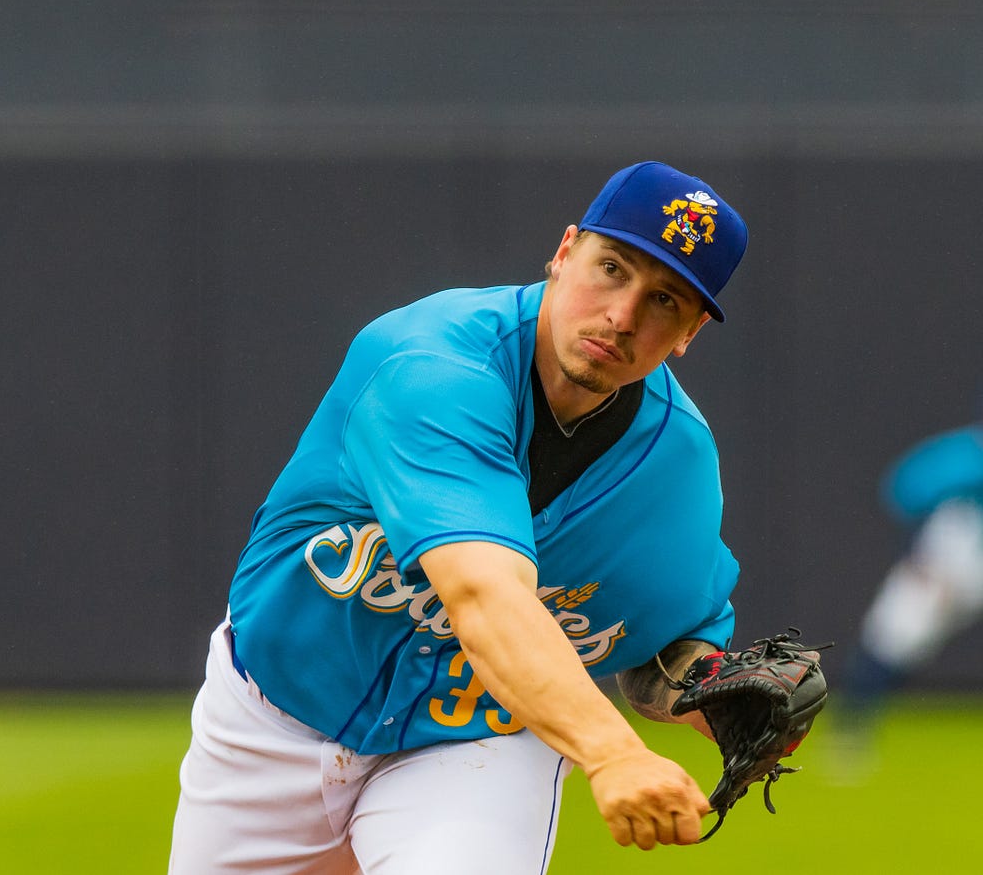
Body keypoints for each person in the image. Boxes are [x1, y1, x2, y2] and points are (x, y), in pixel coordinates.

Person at [169, 161, 753, 873]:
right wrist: (612, 751)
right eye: (611, 268)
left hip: (474, 743)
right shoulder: (432, 362)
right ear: (565, 251)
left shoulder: (677, 465)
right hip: (270, 721)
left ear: (691, 331)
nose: (622, 315)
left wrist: (722, 697)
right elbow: (483, 594)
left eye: (663, 299)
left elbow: (671, 645)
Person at [837, 419, 983, 762]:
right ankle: (851, 732)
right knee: (890, 640)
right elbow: (904, 492)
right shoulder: (965, 455)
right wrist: (915, 556)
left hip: (964, 571)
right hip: (941, 569)